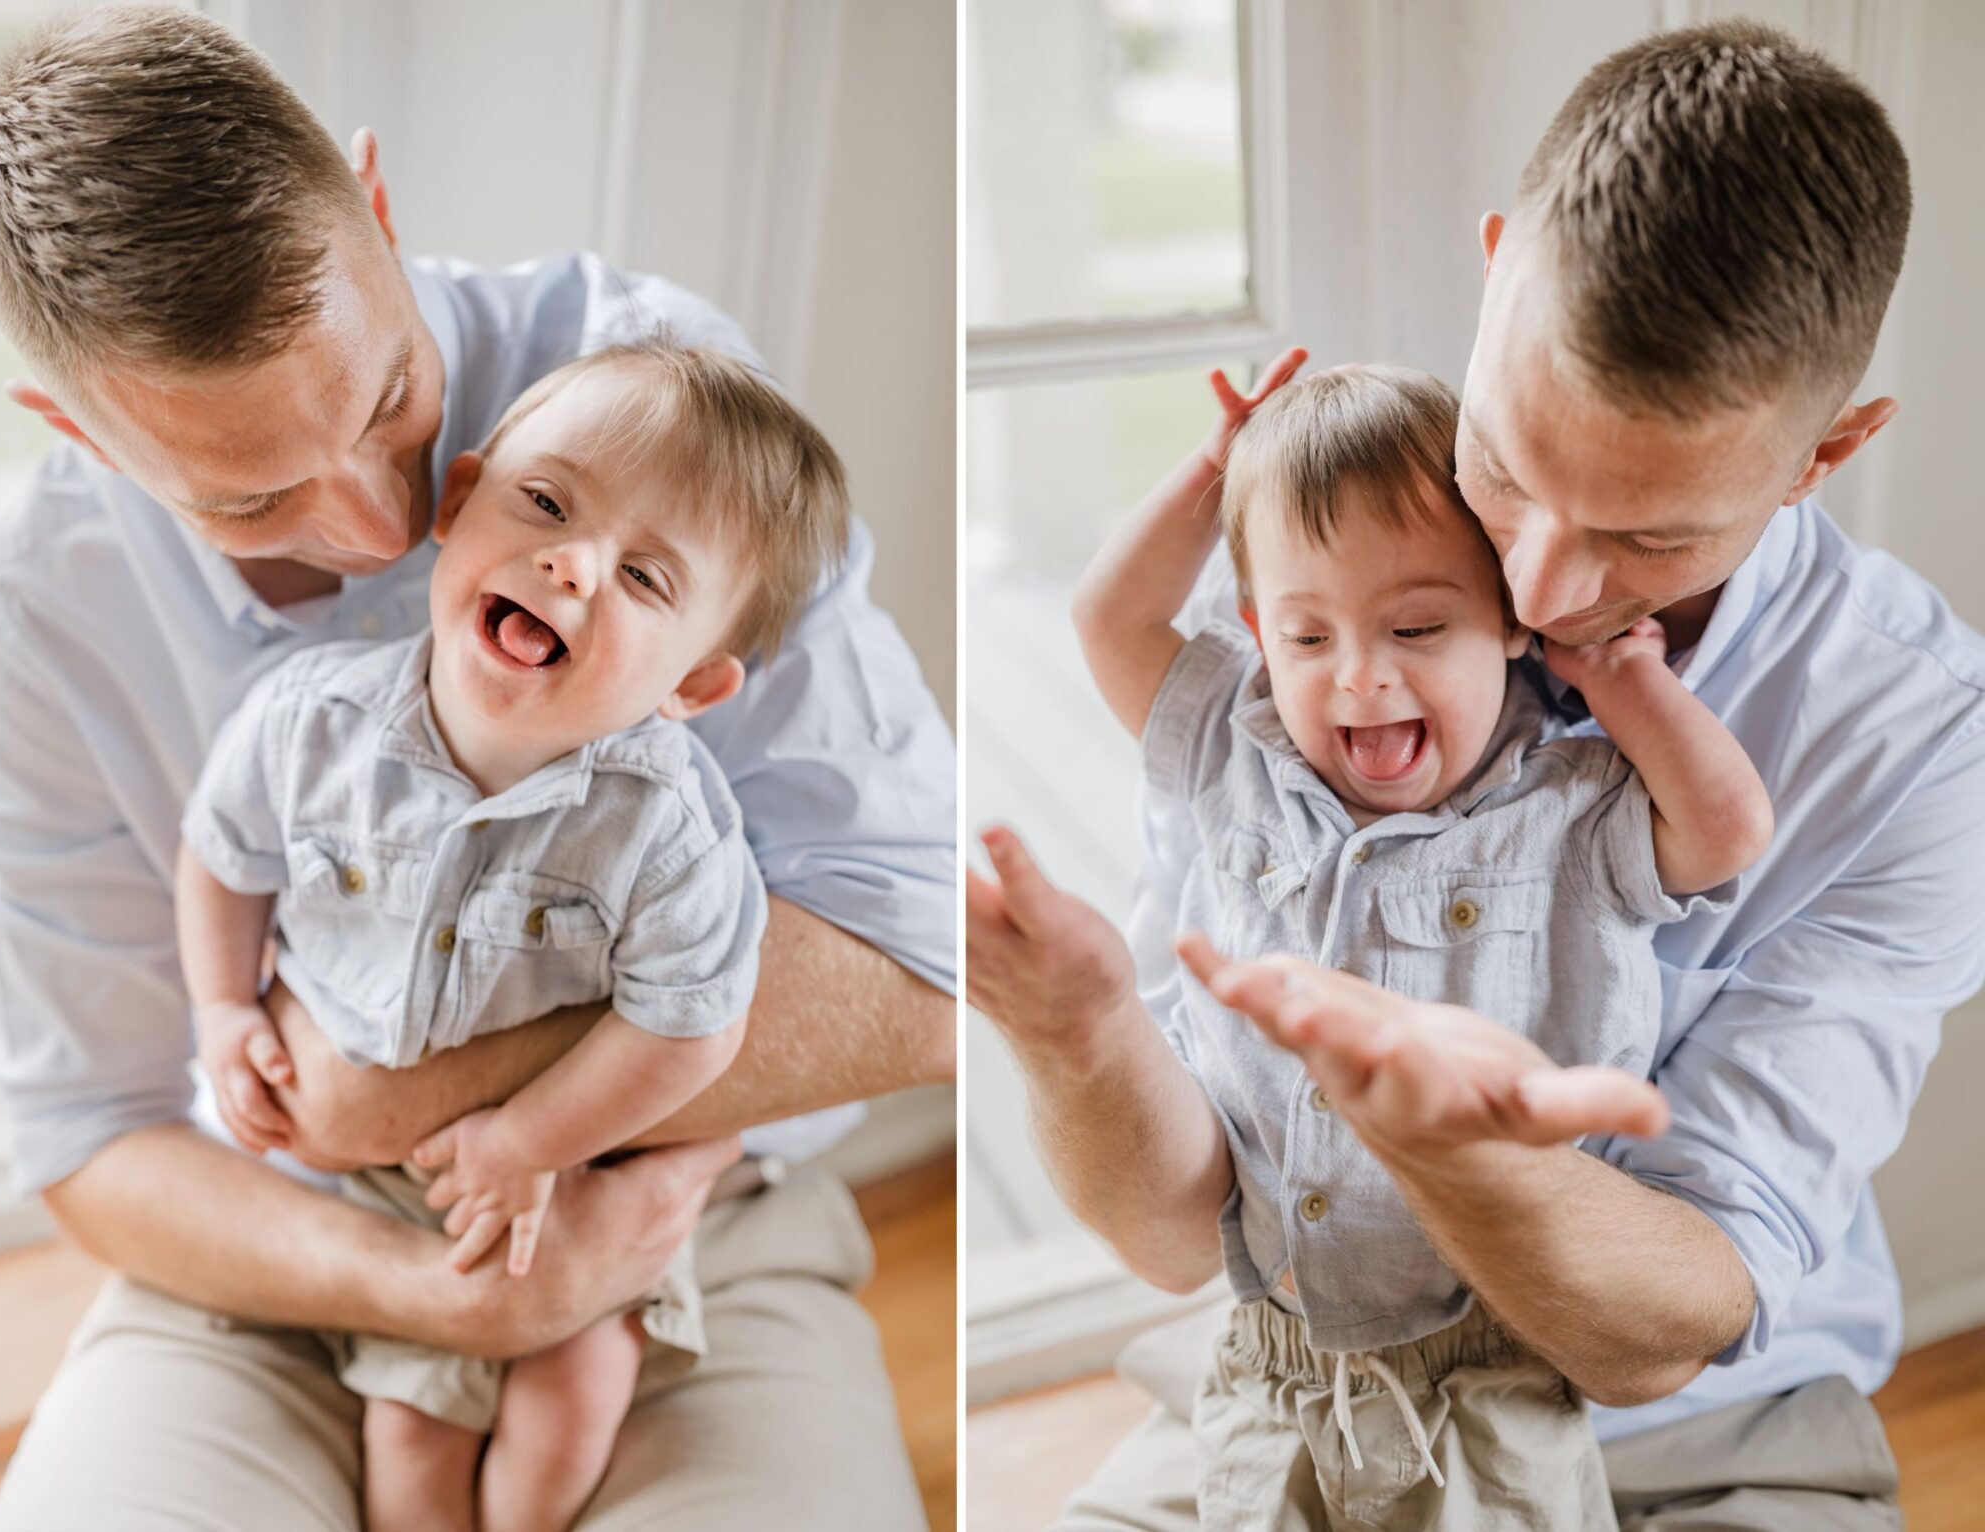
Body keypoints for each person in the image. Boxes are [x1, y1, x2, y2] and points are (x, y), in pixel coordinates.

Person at [0, 8, 953, 1529]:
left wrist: (385, 1102)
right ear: (79, 434)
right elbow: (92, 1136)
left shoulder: (657, 402)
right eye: (249, 497)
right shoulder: (35, 618)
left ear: (378, 207)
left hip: (683, 1208)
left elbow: (926, 966)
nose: (378, 524)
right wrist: (431, 1282)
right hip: (279, 1241)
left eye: (390, 397)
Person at [967, 21, 1985, 1529]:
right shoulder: (1327, 596)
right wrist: (1075, 1033)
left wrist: (1455, 1151)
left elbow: (1663, 1332)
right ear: (1495, 265)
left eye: (1649, 537)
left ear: (1822, 455)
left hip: (1696, 1428)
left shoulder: (1919, 743)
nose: (1542, 587)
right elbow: (1175, 1238)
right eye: (1506, 467)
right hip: (1305, 1368)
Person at [1024, 355, 1770, 1529]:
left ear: (1511, 616)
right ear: (1256, 631)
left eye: (1416, 625)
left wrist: (1617, 675)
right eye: (1304, 634)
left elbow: (1727, 830)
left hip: (1488, 1368)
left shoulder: (1570, 806)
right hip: (1274, 1351)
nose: (1360, 675)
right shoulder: (1233, 747)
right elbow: (1106, 616)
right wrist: (1215, 471)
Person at [177, 340, 847, 1531]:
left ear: (692, 684)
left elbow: (689, 1028)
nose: (572, 562)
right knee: (411, 1428)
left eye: (643, 577)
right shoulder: (307, 724)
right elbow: (221, 858)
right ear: (457, 501)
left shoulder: (667, 829)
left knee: (572, 1401)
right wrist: (225, 1006)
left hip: (576, 1165)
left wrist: (530, 1141)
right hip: (380, 1192)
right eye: (545, 503)